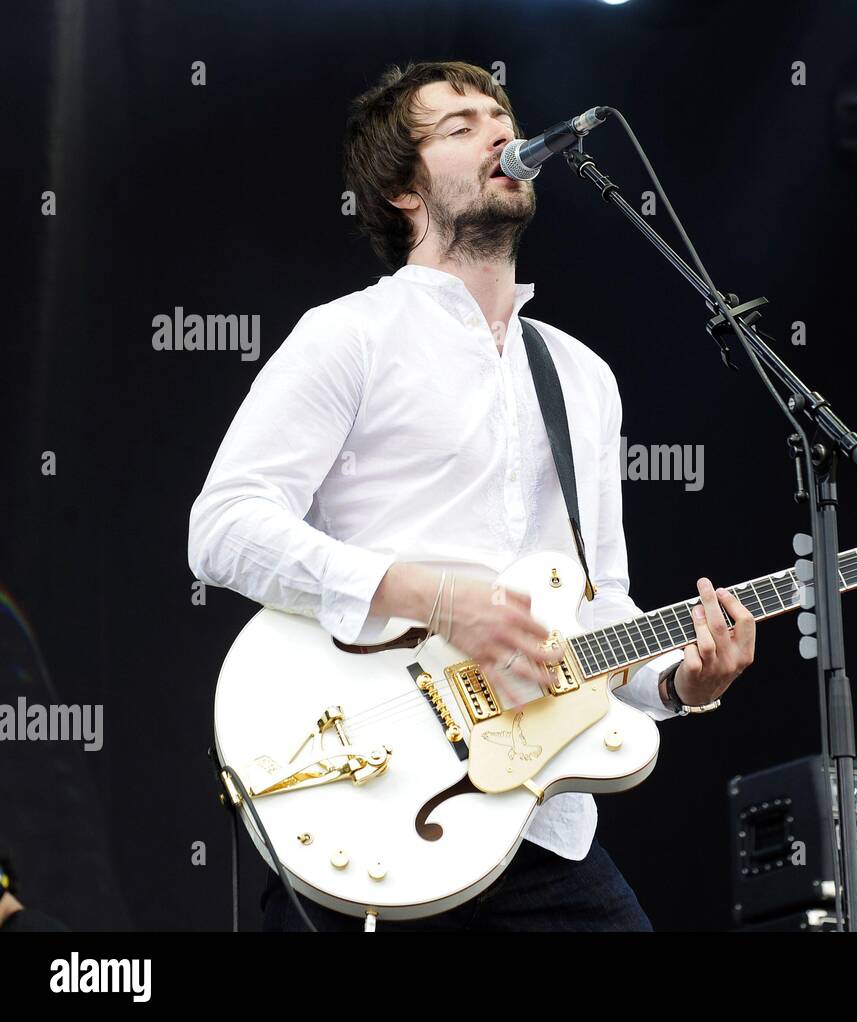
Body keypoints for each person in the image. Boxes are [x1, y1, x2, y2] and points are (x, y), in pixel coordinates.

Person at [188, 61, 756, 931]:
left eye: (501, 115)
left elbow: (599, 604)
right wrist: (440, 600)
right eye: (459, 125)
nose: (499, 133)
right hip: (377, 791)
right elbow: (224, 531)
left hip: (544, 830)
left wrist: (681, 680)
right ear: (402, 192)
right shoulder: (349, 337)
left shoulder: (580, 376)